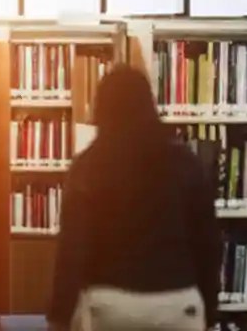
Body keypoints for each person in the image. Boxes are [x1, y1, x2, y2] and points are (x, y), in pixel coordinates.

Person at [48, 65, 221, 331]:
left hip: (111, 302)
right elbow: (208, 243)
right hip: (176, 301)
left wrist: (59, 316)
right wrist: (209, 308)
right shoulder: (186, 163)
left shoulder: (88, 166)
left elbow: (72, 248)